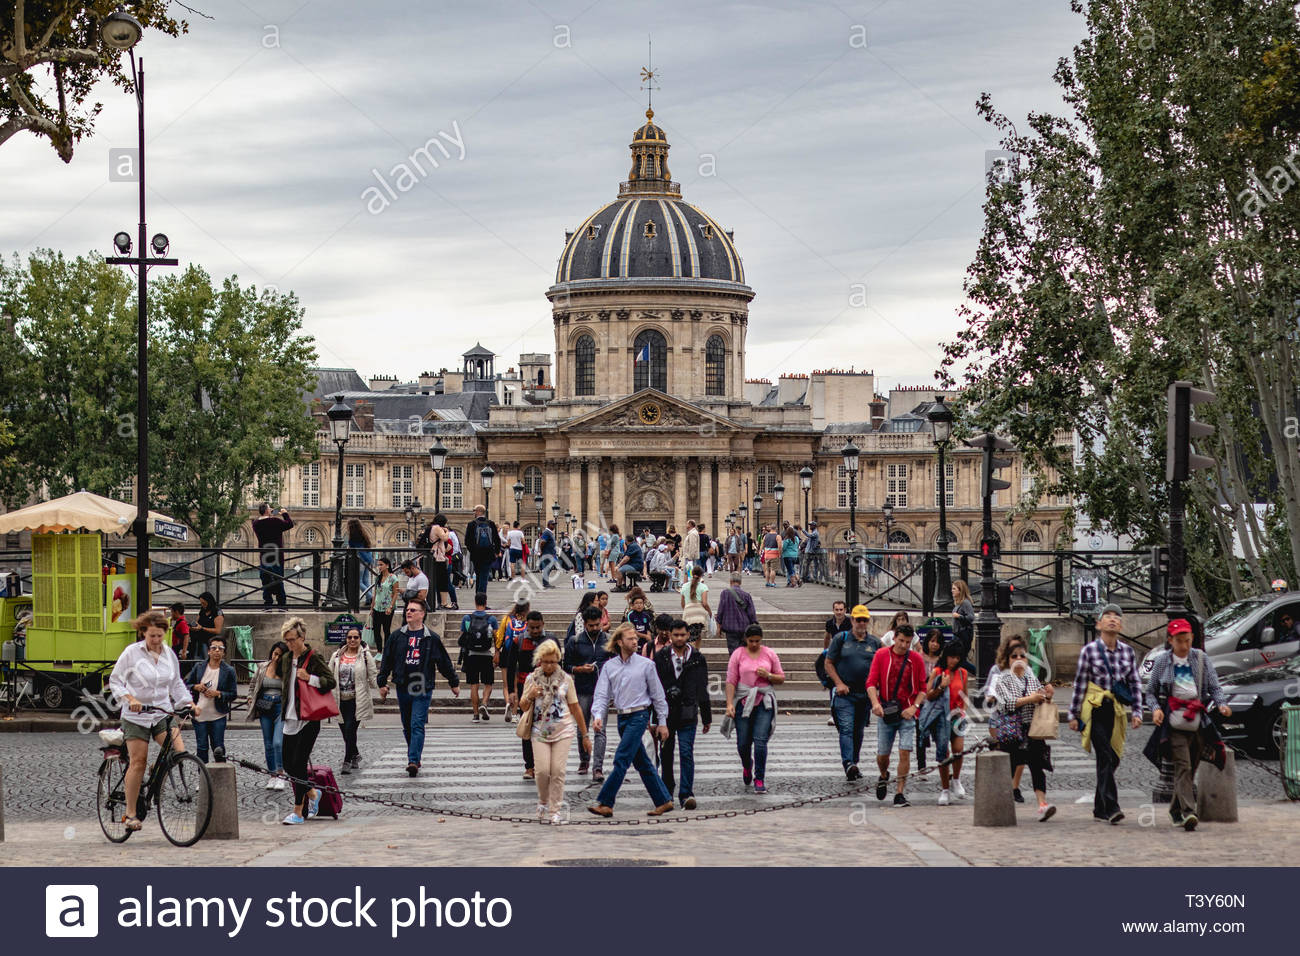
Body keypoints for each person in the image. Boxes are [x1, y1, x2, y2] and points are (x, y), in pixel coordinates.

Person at [109, 610, 194, 831]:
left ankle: (158, 771)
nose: (156, 640)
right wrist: (130, 698)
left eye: (159, 636)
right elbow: (116, 681)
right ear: (143, 633)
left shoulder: (169, 654)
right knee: (139, 760)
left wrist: (188, 703)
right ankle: (130, 814)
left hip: (161, 712)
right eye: (151, 636)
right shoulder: (132, 653)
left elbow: (176, 683)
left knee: (179, 752)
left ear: (165, 633)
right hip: (136, 715)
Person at [1143, 618, 1231, 831]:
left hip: (1197, 720)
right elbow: (1151, 691)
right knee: (1183, 766)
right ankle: (1189, 812)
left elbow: (1214, 686)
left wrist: (1221, 705)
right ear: (1170, 640)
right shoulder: (1163, 661)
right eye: (1179, 641)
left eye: (1188, 641)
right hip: (1173, 721)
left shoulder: (1201, 659)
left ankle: (1175, 809)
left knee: (1191, 768)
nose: (1184, 646)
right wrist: (1155, 709)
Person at [1067, 603, 1144, 824]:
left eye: (1117, 617)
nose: (1112, 619)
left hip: (1116, 709)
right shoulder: (1089, 651)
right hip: (1095, 708)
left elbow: (1134, 684)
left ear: (1121, 625)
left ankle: (1099, 807)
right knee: (1105, 755)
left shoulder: (1128, 652)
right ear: (1099, 623)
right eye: (1107, 616)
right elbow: (1080, 684)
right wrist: (1073, 714)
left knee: (1113, 758)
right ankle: (1112, 807)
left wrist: (1137, 711)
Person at [588, 623, 674, 817]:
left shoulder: (646, 665)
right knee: (642, 762)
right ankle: (663, 800)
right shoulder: (610, 666)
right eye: (630, 638)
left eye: (636, 638)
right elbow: (602, 695)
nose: (635, 641)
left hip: (639, 715)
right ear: (619, 642)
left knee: (621, 758)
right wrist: (598, 716)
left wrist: (662, 722)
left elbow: (658, 695)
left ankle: (605, 802)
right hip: (622, 717)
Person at [377, 597, 461, 776]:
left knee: (417, 724)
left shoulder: (431, 638)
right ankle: (414, 754)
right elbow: (387, 660)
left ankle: (413, 760)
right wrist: (382, 682)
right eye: (407, 609)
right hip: (403, 683)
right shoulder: (397, 636)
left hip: (422, 684)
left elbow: (444, 662)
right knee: (407, 724)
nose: (408, 612)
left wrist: (453, 682)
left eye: (413, 610)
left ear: (422, 615)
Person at [520, 638, 591, 824]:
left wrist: (585, 735)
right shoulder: (531, 679)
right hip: (539, 731)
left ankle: (555, 809)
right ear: (539, 661)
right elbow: (522, 705)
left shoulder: (566, 680)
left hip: (563, 730)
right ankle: (543, 800)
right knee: (543, 771)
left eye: (553, 661)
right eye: (546, 661)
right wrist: (530, 694)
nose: (550, 665)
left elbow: (575, 708)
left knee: (558, 771)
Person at [277, 616, 337, 824]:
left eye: (292, 639)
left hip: (309, 718)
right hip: (290, 717)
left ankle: (298, 811)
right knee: (288, 764)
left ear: (302, 637)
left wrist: (309, 678)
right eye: (286, 640)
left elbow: (331, 681)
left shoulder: (313, 657)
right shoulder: (285, 658)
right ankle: (313, 793)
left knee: (299, 764)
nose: (289, 644)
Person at [995, 643, 1058, 821]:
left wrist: (1047, 695)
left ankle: (1042, 804)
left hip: (1032, 729)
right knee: (1009, 768)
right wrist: (1030, 698)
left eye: (1022, 656)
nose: (1018, 659)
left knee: (1038, 766)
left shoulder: (1031, 677)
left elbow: (1040, 700)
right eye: (1014, 656)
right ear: (1007, 659)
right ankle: (999, 806)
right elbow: (1005, 704)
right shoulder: (1003, 679)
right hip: (1012, 731)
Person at [653, 618, 712, 809]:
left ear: (688, 635)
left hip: (688, 711)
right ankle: (666, 793)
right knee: (666, 753)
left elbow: (703, 687)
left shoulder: (697, 657)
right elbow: (655, 688)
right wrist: (654, 717)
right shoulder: (661, 656)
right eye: (675, 635)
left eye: (682, 635)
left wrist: (706, 715)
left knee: (686, 752)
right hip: (667, 713)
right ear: (670, 635)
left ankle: (686, 793)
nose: (679, 638)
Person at [867, 623, 927, 807]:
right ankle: (884, 775)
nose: (903, 645)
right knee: (882, 754)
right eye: (901, 640)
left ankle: (900, 792)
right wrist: (875, 703)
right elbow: (871, 682)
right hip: (886, 711)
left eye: (907, 642)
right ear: (894, 638)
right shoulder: (881, 655)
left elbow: (922, 688)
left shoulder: (915, 659)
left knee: (905, 752)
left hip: (907, 712)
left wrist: (914, 707)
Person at [725, 623, 785, 793]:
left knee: (760, 741)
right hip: (744, 701)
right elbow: (731, 680)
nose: (754, 644)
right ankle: (747, 765)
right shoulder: (738, 654)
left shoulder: (769, 654)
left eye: (757, 641)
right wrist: (730, 704)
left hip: (763, 701)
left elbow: (781, 677)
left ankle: (760, 778)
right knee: (743, 743)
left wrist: (769, 675)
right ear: (746, 639)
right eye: (751, 641)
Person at [825, 604, 882, 781]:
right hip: (844, 693)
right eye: (859, 620)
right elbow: (828, 662)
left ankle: (854, 763)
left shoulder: (875, 643)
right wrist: (838, 683)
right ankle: (848, 763)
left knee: (858, 731)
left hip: (864, 695)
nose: (862, 623)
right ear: (852, 621)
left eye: (865, 620)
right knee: (847, 729)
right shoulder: (841, 639)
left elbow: (880, 665)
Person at [504, 611, 553, 779]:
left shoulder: (550, 641)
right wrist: (511, 691)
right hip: (525, 688)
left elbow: (559, 666)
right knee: (527, 727)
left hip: (548, 688)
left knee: (547, 727)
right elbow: (510, 667)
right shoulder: (519, 641)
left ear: (543, 624)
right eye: (531, 628)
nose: (535, 631)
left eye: (537, 627)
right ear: (527, 625)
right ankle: (529, 767)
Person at [564, 603, 610, 778]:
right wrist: (579, 669)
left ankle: (597, 767)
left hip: (602, 691)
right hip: (582, 689)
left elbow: (614, 663)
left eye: (597, 625)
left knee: (600, 729)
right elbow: (566, 666)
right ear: (584, 624)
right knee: (582, 729)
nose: (594, 628)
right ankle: (584, 759)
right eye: (591, 626)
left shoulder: (607, 640)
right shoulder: (575, 641)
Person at [329, 626, 379, 774]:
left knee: (351, 729)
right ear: (346, 639)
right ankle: (355, 754)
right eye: (350, 637)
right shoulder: (337, 655)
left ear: (360, 639)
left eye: (355, 637)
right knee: (345, 731)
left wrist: (381, 688)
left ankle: (347, 760)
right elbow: (329, 675)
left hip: (357, 699)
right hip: (339, 698)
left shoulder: (365, 656)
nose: (352, 640)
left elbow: (372, 675)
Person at [918, 640, 961, 804]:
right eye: (951, 657)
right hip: (940, 716)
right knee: (944, 753)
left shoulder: (962, 673)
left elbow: (963, 695)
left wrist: (961, 711)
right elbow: (928, 695)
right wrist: (942, 687)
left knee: (958, 749)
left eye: (957, 658)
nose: (954, 661)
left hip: (957, 716)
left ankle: (956, 779)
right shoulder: (937, 672)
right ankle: (945, 789)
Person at [186, 635, 237, 763]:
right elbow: (186, 684)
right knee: (202, 748)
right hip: (199, 715)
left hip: (217, 716)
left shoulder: (229, 671)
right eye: (214, 648)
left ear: (224, 652)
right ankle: (203, 780)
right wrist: (196, 687)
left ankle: (220, 778)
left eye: (220, 648)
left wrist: (218, 693)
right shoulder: (199, 667)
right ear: (208, 651)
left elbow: (233, 694)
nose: (217, 651)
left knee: (218, 748)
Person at [247, 640, 289, 789]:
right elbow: (253, 684)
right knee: (268, 744)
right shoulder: (262, 666)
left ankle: (281, 774)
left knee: (278, 742)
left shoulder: (287, 670)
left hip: (280, 707)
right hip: (265, 707)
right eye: (275, 653)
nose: (276, 658)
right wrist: (250, 697)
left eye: (280, 655)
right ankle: (272, 775)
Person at [459, 592, 498, 721]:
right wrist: (497, 652)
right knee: (488, 683)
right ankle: (484, 703)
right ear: (485, 603)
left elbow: (463, 636)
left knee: (474, 685)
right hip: (486, 654)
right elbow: (497, 638)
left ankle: (475, 714)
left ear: (475, 602)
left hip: (471, 655)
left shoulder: (467, 618)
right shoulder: (491, 619)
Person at [252, 503, 294, 610]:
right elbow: (289, 524)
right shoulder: (275, 521)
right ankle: (281, 603)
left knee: (265, 579)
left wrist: (271, 516)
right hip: (276, 555)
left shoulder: (255, 523)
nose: (271, 509)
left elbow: (265, 524)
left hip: (265, 555)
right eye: (269, 508)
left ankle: (268, 603)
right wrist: (285, 514)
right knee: (278, 579)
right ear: (266, 510)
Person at [498, 600, 530, 723]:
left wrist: (497, 650)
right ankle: (515, 713)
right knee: (517, 686)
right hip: (521, 654)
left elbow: (500, 636)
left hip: (507, 653)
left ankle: (508, 703)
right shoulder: (527, 621)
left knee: (507, 685)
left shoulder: (507, 619)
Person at [715, 572, 758, 655]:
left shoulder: (725, 593)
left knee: (733, 653)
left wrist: (719, 626)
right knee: (744, 652)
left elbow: (720, 611)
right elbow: (752, 614)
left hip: (730, 628)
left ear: (730, 581)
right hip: (744, 628)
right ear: (740, 582)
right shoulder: (746, 595)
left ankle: (735, 666)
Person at [465, 505, 503, 591]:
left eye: (475, 511)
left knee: (478, 575)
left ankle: (478, 597)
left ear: (479, 512)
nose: (474, 513)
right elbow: (497, 540)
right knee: (484, 576)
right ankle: (481, 599)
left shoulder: (471, 524)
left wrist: (473, 551)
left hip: (476, 555)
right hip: (488, 554)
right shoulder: (491, 523)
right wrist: (496, 552)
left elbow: (467, 541)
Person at [370, 555, 399, 657]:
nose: (379, 567)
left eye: (381, 565)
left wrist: (391, 606)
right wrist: (371, 608)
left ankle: (387, 651)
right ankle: (379, 651)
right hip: (377, 607)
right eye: (378, 565)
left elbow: (396, 593)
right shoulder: (378, 578)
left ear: (387, 565)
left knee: (386, 630)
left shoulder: (393, 578)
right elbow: (375, 593)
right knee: (376, 630)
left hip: (387, 607)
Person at [426, 514, 455, 610]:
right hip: (438, 558)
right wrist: (447, 531)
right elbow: (445, 538)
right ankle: (443, 603)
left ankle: (433, 602)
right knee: (443, 581)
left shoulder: (431, 528)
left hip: (432, 557)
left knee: (434, 581)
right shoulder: (437, 528)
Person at [679, 564, 711, 645]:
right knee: (696, 635)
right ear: (701, 576)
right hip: (699, 614)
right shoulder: (703, 587)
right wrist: (710, 612)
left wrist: (686, 609)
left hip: (688, 612)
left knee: (691, 634)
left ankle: (693, 652)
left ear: (692, 574)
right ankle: (694, 652)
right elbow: (705, 603)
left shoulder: (684, 586)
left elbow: (682, 603)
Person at [192, 591, 223, 667]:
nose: (203, 605)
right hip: (199, 641)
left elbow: (218, 630)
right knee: (198, 663)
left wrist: (202, 628)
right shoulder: (203, 610)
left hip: (209, 642)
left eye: (204, 603)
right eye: (201, 603)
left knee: (208, 662)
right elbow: (198, 621)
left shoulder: (217, 612)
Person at [347, 518, 374, 595]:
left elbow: (351, 549)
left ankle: (371, 598)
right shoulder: (364, 535)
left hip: (361, 560)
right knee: (366, 581)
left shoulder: (353, 537)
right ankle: (369, 600)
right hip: (368, 559)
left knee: (358, 582)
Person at [951, 580, 975, 659]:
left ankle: (975, 671)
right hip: (957, 635)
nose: (952, 591)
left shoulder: (965, 603)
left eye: (954, 589)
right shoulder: (958, 603)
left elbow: (971, 617)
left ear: (960, 590)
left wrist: (959, 616)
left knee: (960, 659)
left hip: (962, 635)